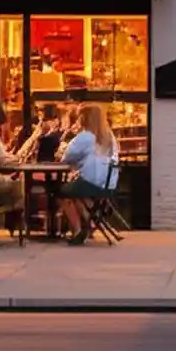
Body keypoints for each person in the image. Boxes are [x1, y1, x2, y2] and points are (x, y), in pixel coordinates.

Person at [59, 104, 120, 246]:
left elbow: (67, 157)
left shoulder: (85, 136)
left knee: (62, 192)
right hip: (108, 184)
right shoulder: (109, 136)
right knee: (76, 191)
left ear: (84, 118)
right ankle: (88, 219)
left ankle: (78, 230)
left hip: (91, 181)